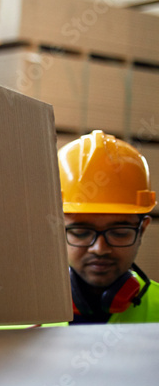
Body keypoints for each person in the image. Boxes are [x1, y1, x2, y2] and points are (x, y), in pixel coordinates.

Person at [60, 130, 159, 323]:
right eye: (81, 233)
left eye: (119, 233)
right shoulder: (12, 317)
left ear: (143, 229)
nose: (100, 249)